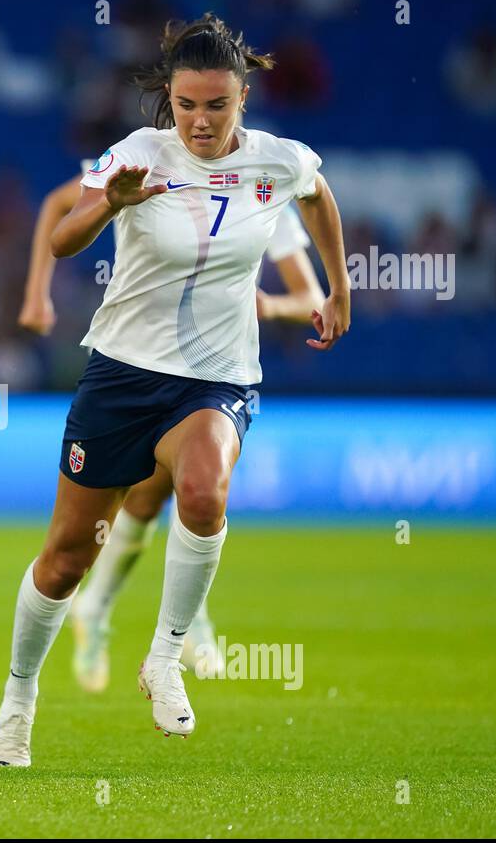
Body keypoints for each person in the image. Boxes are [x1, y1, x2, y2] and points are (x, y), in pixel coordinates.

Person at [0, 14, 350, 766]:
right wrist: (110, 203)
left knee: (206, 490)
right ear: (169, 99)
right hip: (122, 374)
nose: (200, 120)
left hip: (217, 377)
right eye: (187, 104)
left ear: (242, 98)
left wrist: (339, 287)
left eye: (216, 105)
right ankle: (18, 701)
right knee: (64, 559)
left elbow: (316, 196)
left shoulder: (275, 161)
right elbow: (60, 238)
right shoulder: (138, 154)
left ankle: (166, 655)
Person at [20, 176, 326, 692]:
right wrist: (37, 296)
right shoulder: (148, 162)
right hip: (135, 360)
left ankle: (126, 614)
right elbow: (56, 202)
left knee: (189, 487)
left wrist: (268, 306)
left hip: (209, 376)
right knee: (141, 500)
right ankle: (119, 610)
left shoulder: (261, 186)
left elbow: (310, 298)